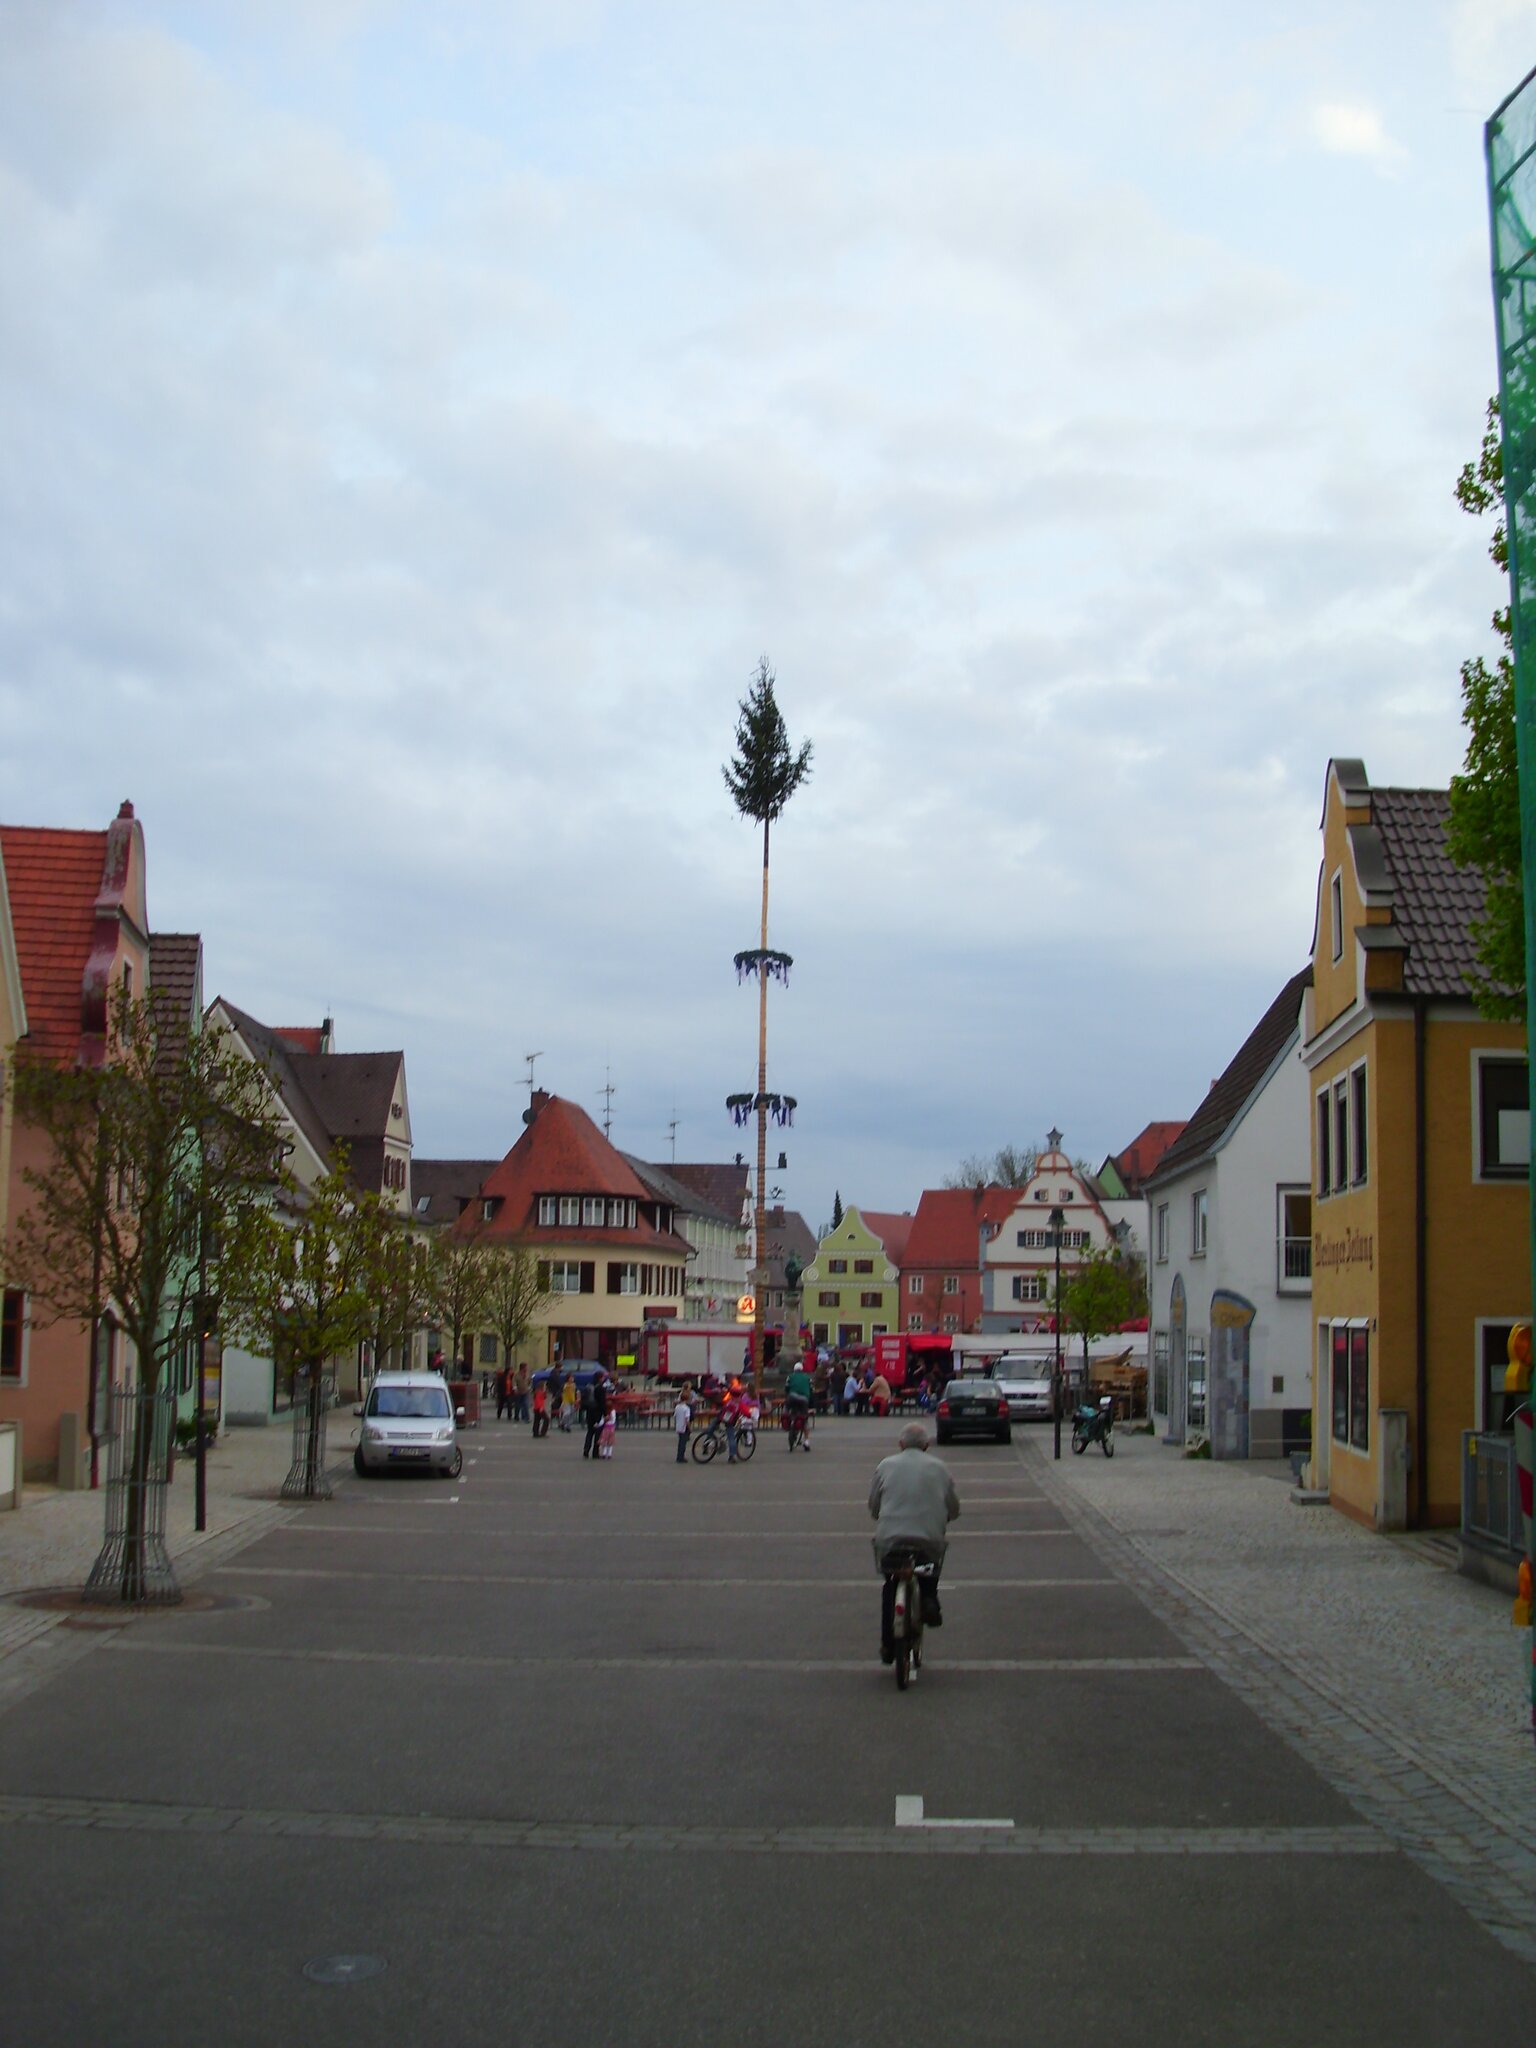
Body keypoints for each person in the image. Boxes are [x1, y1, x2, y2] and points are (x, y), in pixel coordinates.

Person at [869, 1421, 960, 1663]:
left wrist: (882, 1514)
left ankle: (888, 1646)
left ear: (900, 1445)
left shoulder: (885, 1465)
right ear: (927, 1445)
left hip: (890, 1538)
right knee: (929, 1564)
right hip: (928, 1538)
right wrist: (946, 1515)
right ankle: (929, 1597)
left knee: (890, 1585)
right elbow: (953, 1507)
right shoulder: (940, 1468)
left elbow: (874, 1505)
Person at [782, 1354, 813, 1449]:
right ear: (802, 1370)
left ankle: (786, 1417)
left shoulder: (790, 1377)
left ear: (794, 1370)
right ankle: (806, 1441)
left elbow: (786, 1388)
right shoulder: (808, 1377)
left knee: (787, 1408)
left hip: (792, 1397)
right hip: (804, 1399)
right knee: (805, 1419)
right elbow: (811, 1389)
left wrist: (787, 1396)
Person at [583, 1372, 609, 1459]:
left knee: (590, 1431)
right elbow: (602, 1403)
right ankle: (595, 1452)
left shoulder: (589, 1386)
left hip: (589, 1411)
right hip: (597, 1413)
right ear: (600, 1378)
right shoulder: (600, 1388)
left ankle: (586, 1450)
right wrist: (605, 1414)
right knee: (598, 1432)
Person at [673, 1386, 693, 1464]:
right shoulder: (686, 1408)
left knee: (680, 1442)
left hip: (678, 1426)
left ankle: (679, 1456)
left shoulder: (677, 1407)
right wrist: (689, 1428)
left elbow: (675, 1416)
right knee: (683, 1443)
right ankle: (681, 1457)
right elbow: (687, 1420)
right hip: (684, 1427)